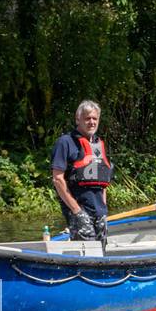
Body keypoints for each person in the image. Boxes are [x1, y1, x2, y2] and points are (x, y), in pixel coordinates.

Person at [51, 100, 113, 242]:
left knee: (101, 254)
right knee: (87, 256)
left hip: (100, 212)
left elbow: (102, 181)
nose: (91, 122)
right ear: (78, 119)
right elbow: (57, 179)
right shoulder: (65, 142)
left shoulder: (98, 145)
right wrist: (77, 211)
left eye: (94, 118)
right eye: (87, 118)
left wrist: (104, 209)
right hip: (79, 211)